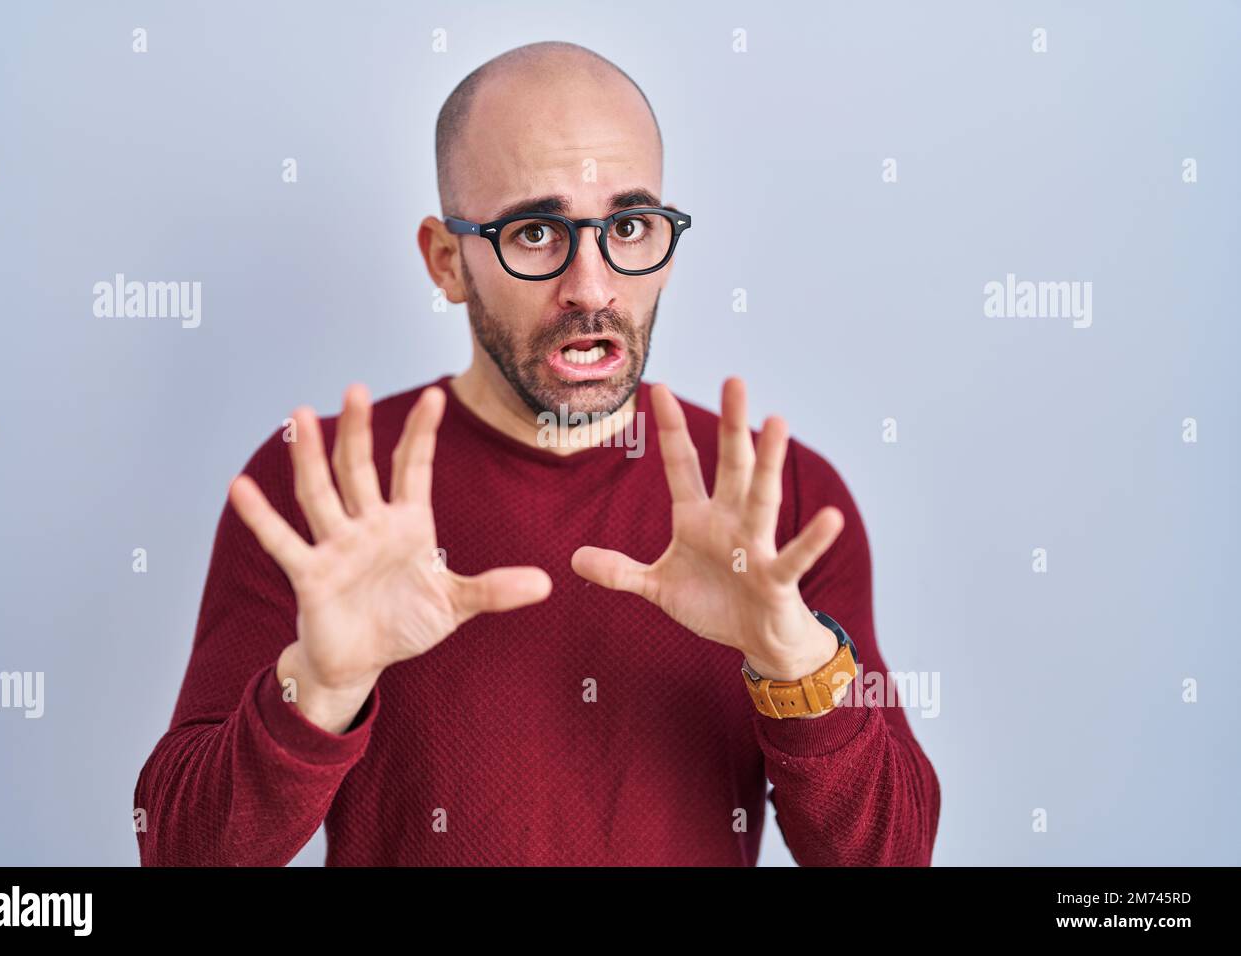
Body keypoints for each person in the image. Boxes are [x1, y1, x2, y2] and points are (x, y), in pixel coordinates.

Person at [133, 40, 939, 866]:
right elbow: (175, 851)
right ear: (447, 261)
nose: (592, 286)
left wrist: (795, 662)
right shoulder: (327, 487)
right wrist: (317, 690)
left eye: (628, 226)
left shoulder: (779, 501)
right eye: (535, 230)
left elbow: (893, 854)